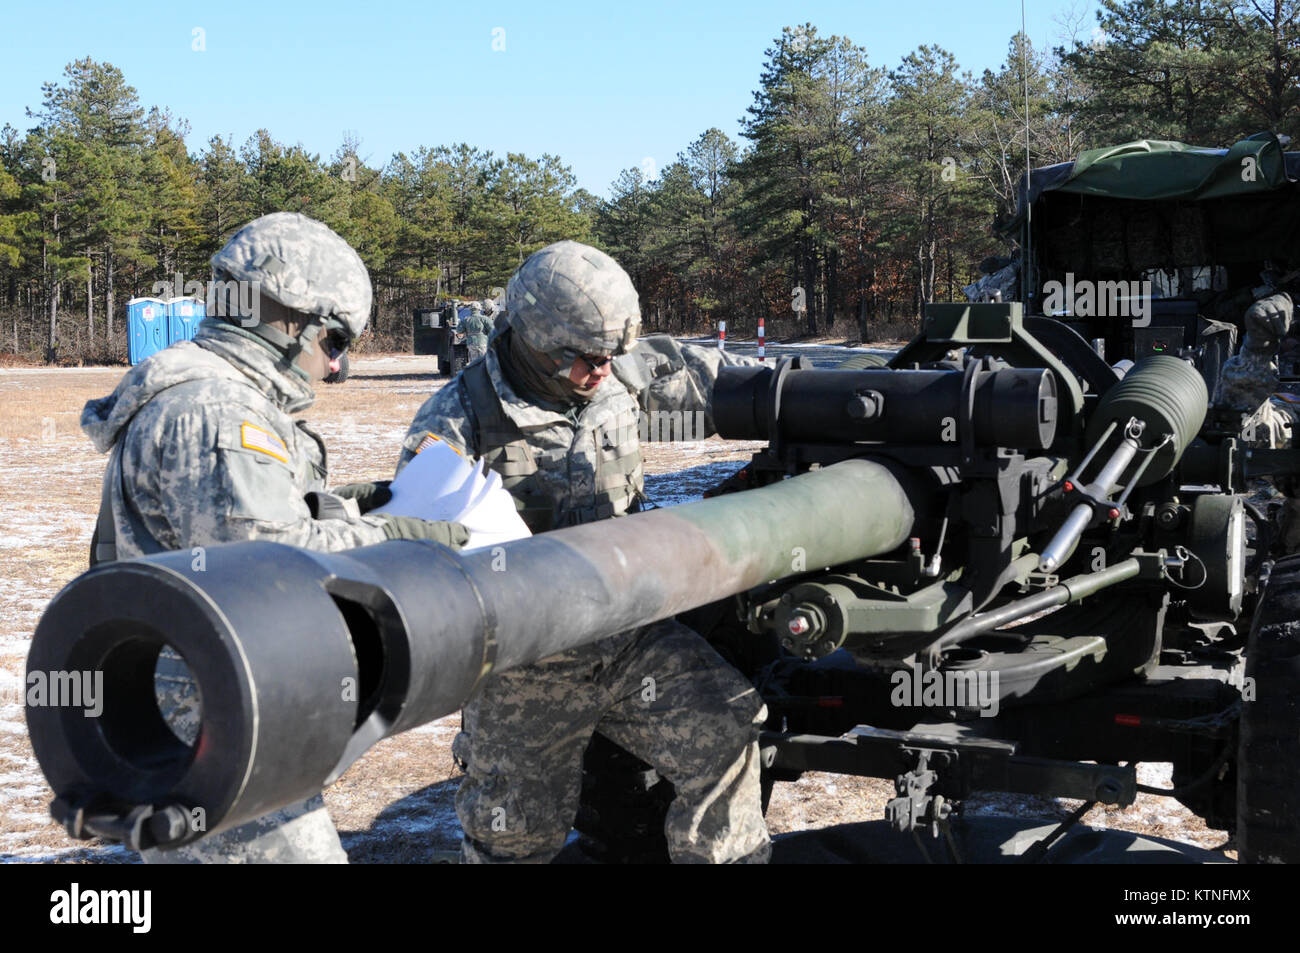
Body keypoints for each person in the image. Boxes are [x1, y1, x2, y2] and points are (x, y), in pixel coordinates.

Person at [82, 211, 468, 862]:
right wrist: (396, 535)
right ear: (288, 321)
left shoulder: (210, 396)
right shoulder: (215, 411)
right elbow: (265, 563)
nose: (338, 367)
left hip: (207, 701)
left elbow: (246, 522)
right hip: (206, 712)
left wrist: (345, 504)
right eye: (336, 339)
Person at [398, 239, 771, 863]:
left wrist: (859, 394)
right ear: (535, 344)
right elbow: (423, 565)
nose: (602, 371)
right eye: (586, 360)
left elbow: (727, 387)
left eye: (610, 356)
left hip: (628, 632)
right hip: (525, 662)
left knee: (729, 736)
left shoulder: (614, 379)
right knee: (514, 836)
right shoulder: (458, 423)